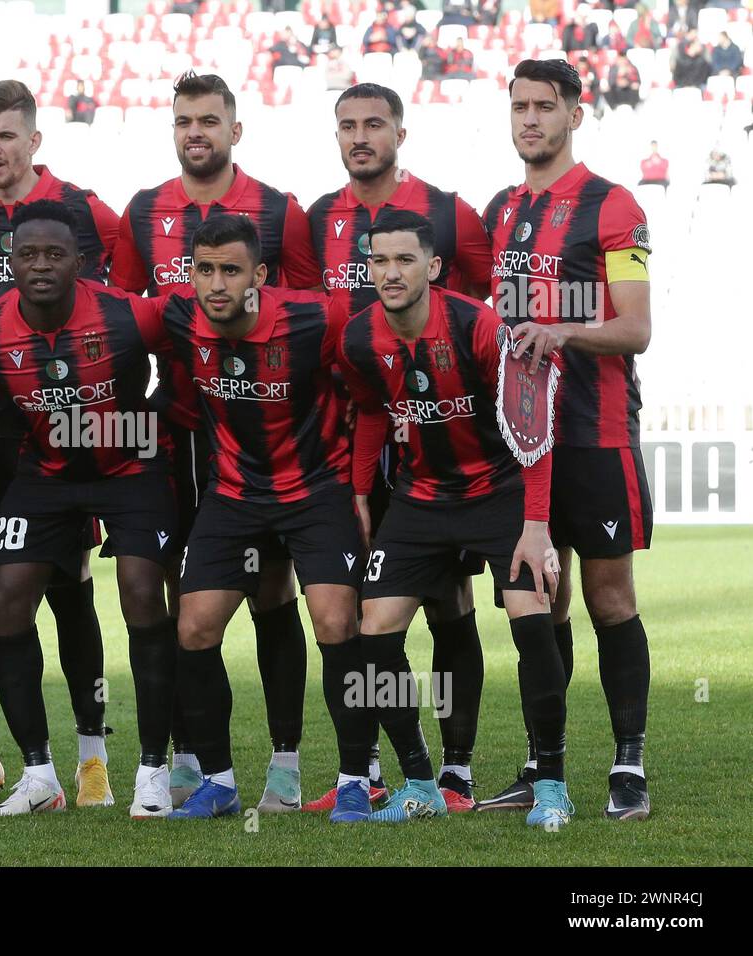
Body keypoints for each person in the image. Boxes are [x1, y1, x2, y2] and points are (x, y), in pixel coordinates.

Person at [111, 72, 324, 814]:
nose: (194, 131)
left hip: (260, 438)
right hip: (176, 433)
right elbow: (133, 320)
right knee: (184, 599)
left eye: (208, 119)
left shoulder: (279, 212)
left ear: (235, 130)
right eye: (182, 121)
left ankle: (288, 762)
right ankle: (197, 759)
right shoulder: (142, 212)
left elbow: (304, 320)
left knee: (271, 593)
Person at [336, 210, 571, 829]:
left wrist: (537, 524)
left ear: (433, 267)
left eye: (405, 259)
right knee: (375, 631)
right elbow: (368, 411)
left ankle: (551, 783)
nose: (390, 272)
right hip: (419, 499)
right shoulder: (358, 339)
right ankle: (420, 781)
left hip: (499, 492)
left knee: (531, 617)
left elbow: (533, 424)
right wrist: (361, 494)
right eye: (379, 260)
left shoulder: (478, 324)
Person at [0, 79, 120, 806]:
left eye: (6, 137)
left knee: (69, 592)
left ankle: (92, 759)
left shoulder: (84, 210)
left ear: (34, 140)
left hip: (59, 433)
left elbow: (118, 313)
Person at [305, 84, 493, 814]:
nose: (360, 136)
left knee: (449, 603)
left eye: (373, 124)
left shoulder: (448, 212)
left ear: (400, 132)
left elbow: (483, 311)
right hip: (347, 440)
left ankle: (456, 771)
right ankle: (366, 773)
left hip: (436, 445)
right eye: (347, 125)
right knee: (353, 611)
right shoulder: (319, 218)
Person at [0, 201, 180, 817]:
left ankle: (153, 772)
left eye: (54, 254)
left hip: (129, 461)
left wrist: (161, 416)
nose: (40, 266)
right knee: (4, 600)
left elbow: (193, 345)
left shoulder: (129, 315)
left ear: (80, 262)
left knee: (140, 590)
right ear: (9, 260)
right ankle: (40, 777)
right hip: (46, 472)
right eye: (27, 254)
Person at [482, 57, 655, 822]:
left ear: (575, 114)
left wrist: (565, 331)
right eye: (519, 106)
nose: (529, 119)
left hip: (597, 438)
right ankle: (540, 763)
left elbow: (638, 329)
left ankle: (628, 764)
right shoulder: (501, 209)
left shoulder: (614, 206)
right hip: (525, 444)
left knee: (608, 599)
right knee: (536, 603)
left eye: (544, 106)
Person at [156, 216, 365, 821]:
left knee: (334, 621)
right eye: (204, 270)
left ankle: (354, 778)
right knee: (193, 627)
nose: (216, 284)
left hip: (315, 490)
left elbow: (374, 355)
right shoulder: (178, 316)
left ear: (260, 275)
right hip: (233, 495)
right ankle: (218, 782)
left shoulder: (315, 319)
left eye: (231, 270)